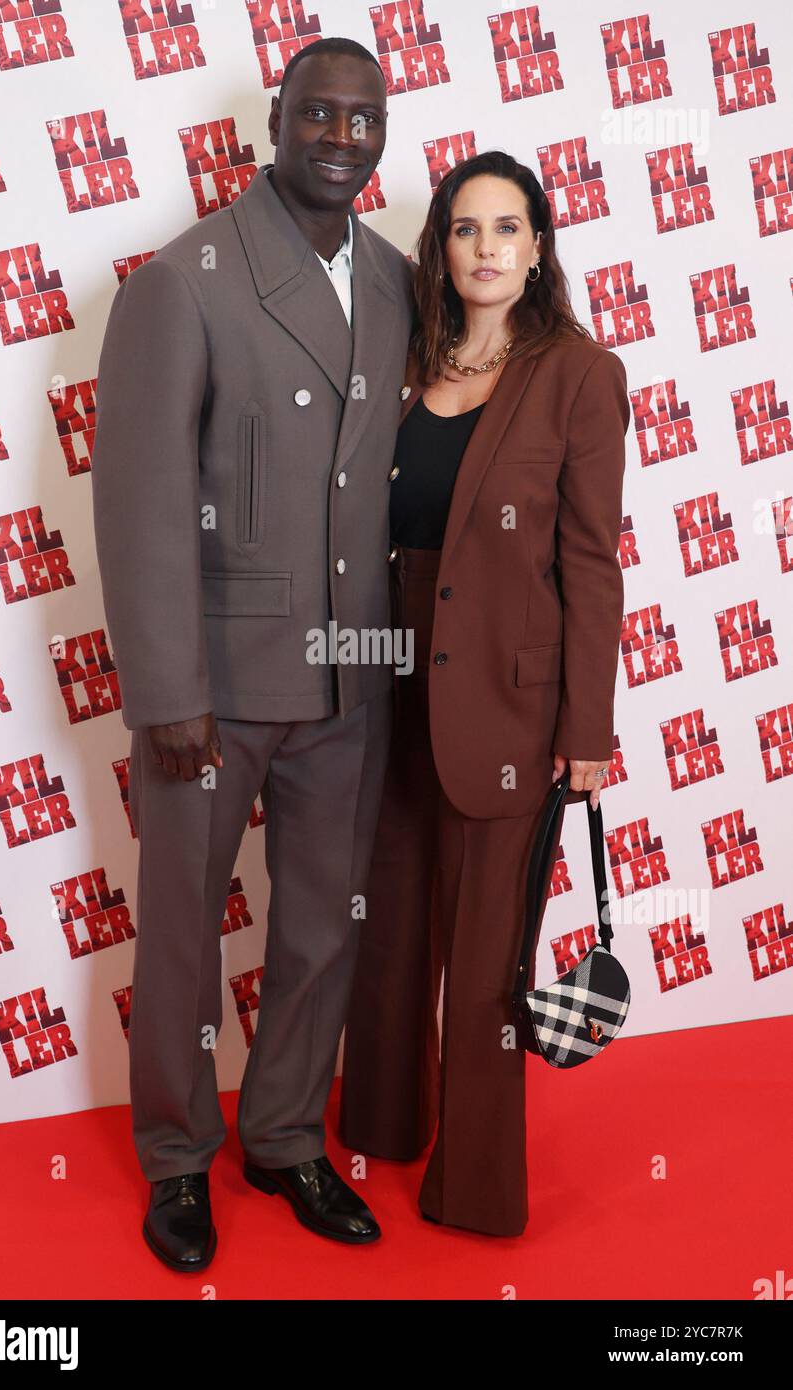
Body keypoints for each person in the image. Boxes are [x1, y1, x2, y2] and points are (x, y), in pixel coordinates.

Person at [90, 37, 415, 1270]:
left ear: (382, 134)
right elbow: (142, 503)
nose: (342, 137)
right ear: (272, 122)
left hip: (348, 673)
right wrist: (166, 688)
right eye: (318, 115)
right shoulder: (186, 280)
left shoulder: (396, 281)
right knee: (182, 928)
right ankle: (177, 1157)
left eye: (363, 119)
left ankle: (282, 1135)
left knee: (321, 924)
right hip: (213, 690)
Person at [338, 149, 630, 1237]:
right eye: (464, 229)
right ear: (440, 247)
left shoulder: (576, 373)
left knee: (483, 948)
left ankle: (474, 1187)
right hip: (389, 683)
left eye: (505, 228)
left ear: (539, 246)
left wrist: (585, 729)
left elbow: (592, 562)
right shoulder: (408, 358)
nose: (485, 248)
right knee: (389, 920)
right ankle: (380, 1125)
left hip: (507, 703)